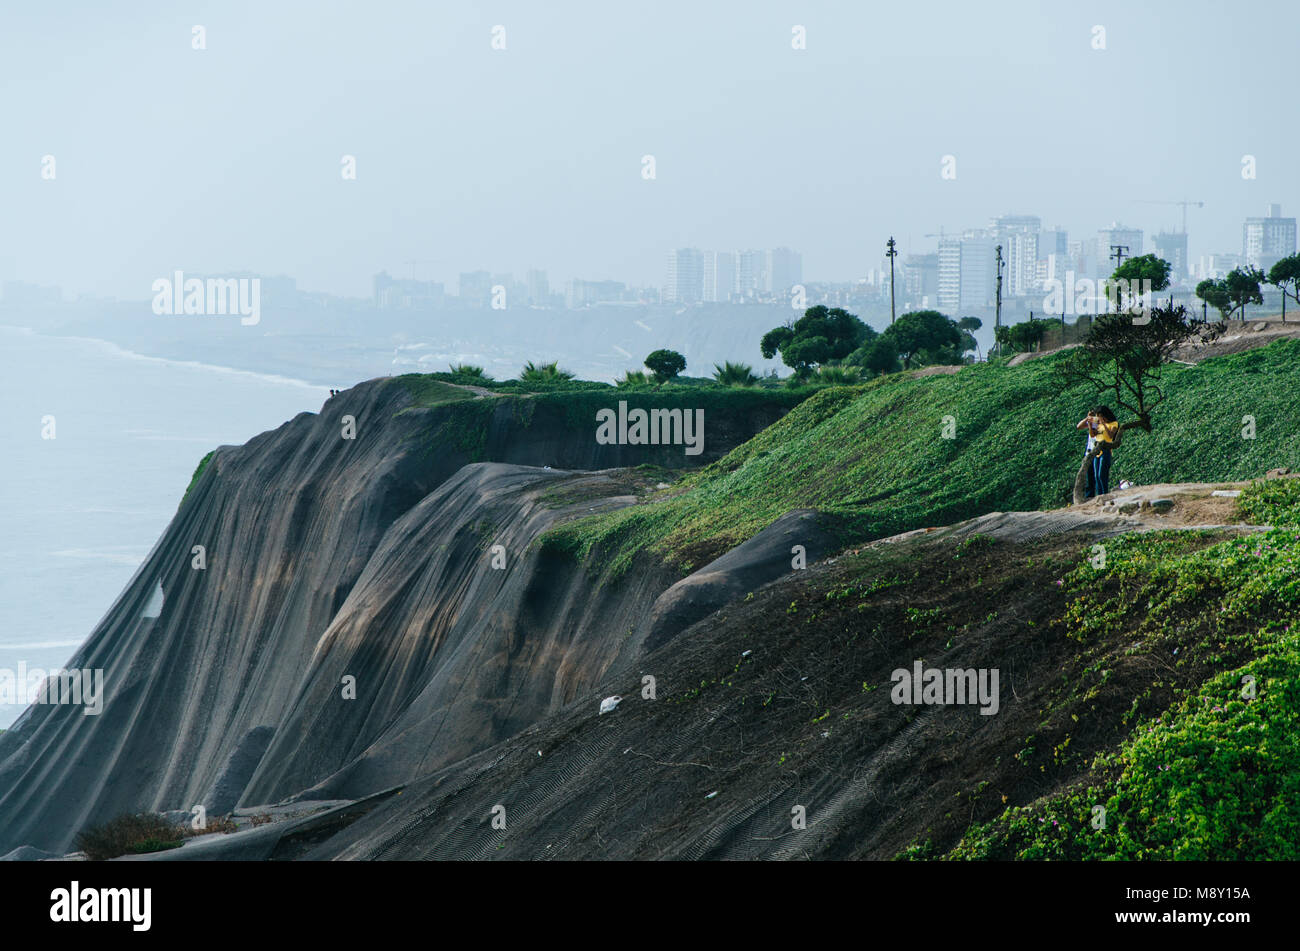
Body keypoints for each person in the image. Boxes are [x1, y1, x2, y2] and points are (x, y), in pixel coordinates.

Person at [1091, 406, 1119, 496]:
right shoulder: (1097, 424)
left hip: (1106, 450)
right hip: (1097, 450)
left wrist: (1104, 425)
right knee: (1096, 476)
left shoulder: (1114, 423)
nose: (1099, 418)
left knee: (1102, 475)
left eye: (1100, 416)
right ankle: (1099, 495)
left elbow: (1111, 435)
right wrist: (1090, 423)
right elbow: (1092, 434)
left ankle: (1105, 494)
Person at [1075, 410, 1098, 498]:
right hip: (1089, 453)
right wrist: (1087, 419)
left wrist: (1091, 422)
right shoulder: (1092, 422)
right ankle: (1089, 496)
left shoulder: (1098, 423)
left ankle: (1098, 494)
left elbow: (1092, 434)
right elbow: (1079, 426)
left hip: (1096, 452)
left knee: (1097, 475)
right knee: (1090, 477)